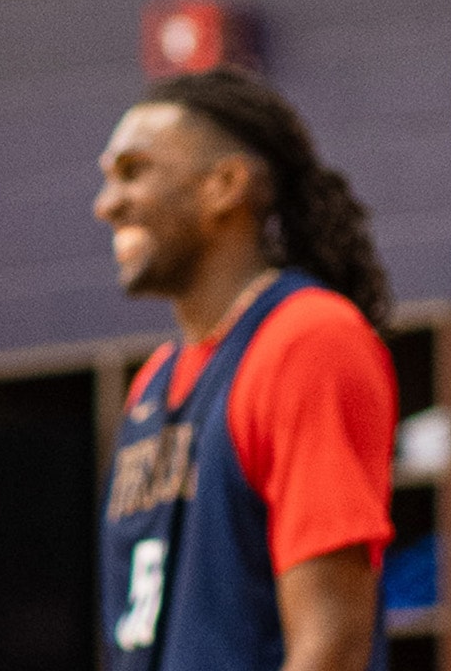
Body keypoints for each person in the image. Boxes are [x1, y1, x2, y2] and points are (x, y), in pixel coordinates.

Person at [92, 67, 395, 671]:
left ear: (226, 186)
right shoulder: (153, 380)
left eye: (134, 171)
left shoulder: (308, 340)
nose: (107, 205)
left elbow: (332, 643)